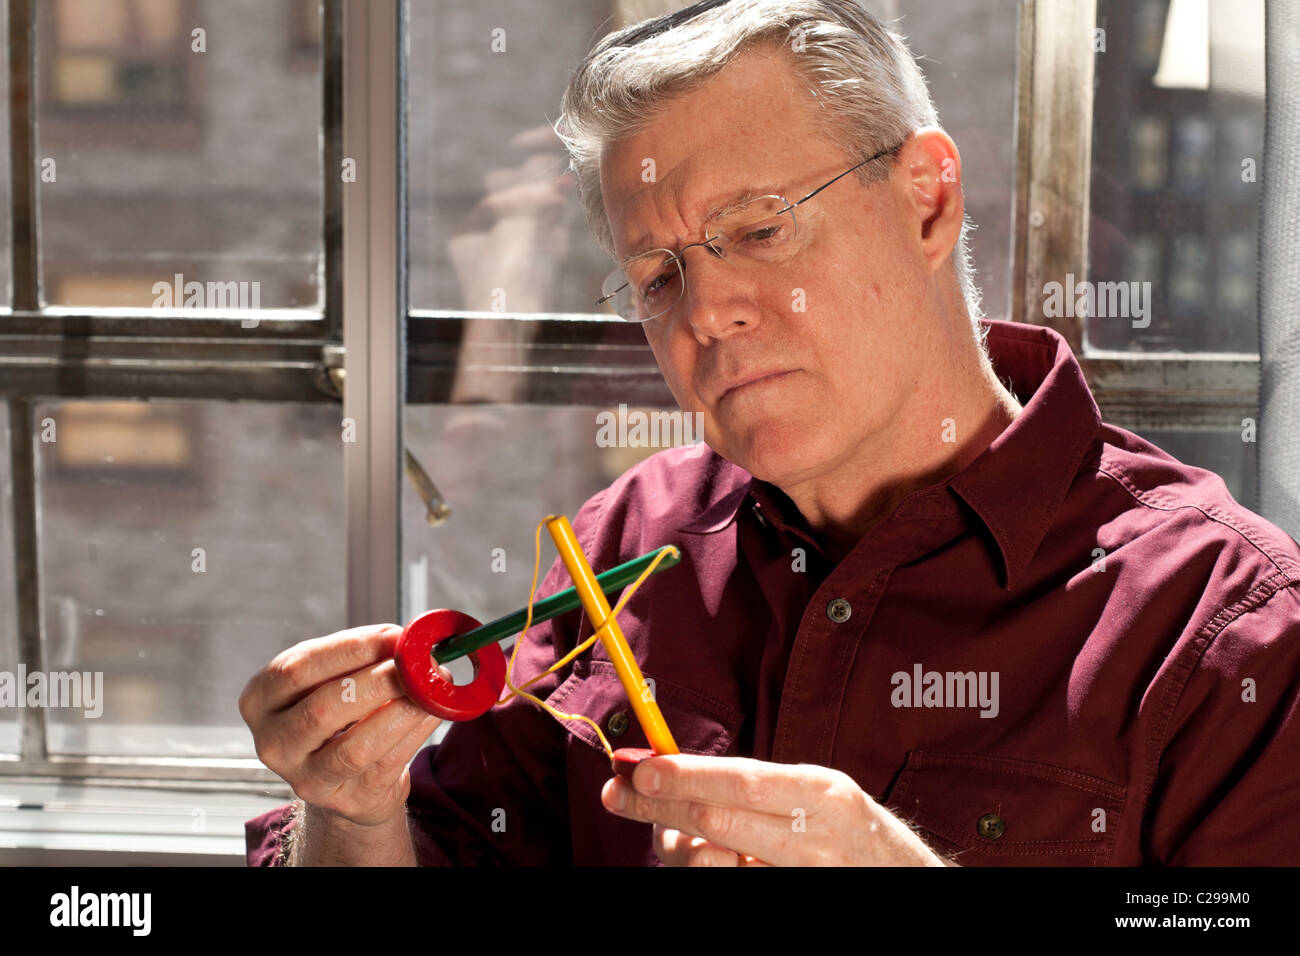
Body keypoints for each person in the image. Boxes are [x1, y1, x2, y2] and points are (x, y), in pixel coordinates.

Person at [240, 0, 1300, 866]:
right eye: (659, 275)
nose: (706, 312)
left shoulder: (1227, 624)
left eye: (758, 228)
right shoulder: (628, 541)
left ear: (928, 201)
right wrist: (351, 809)